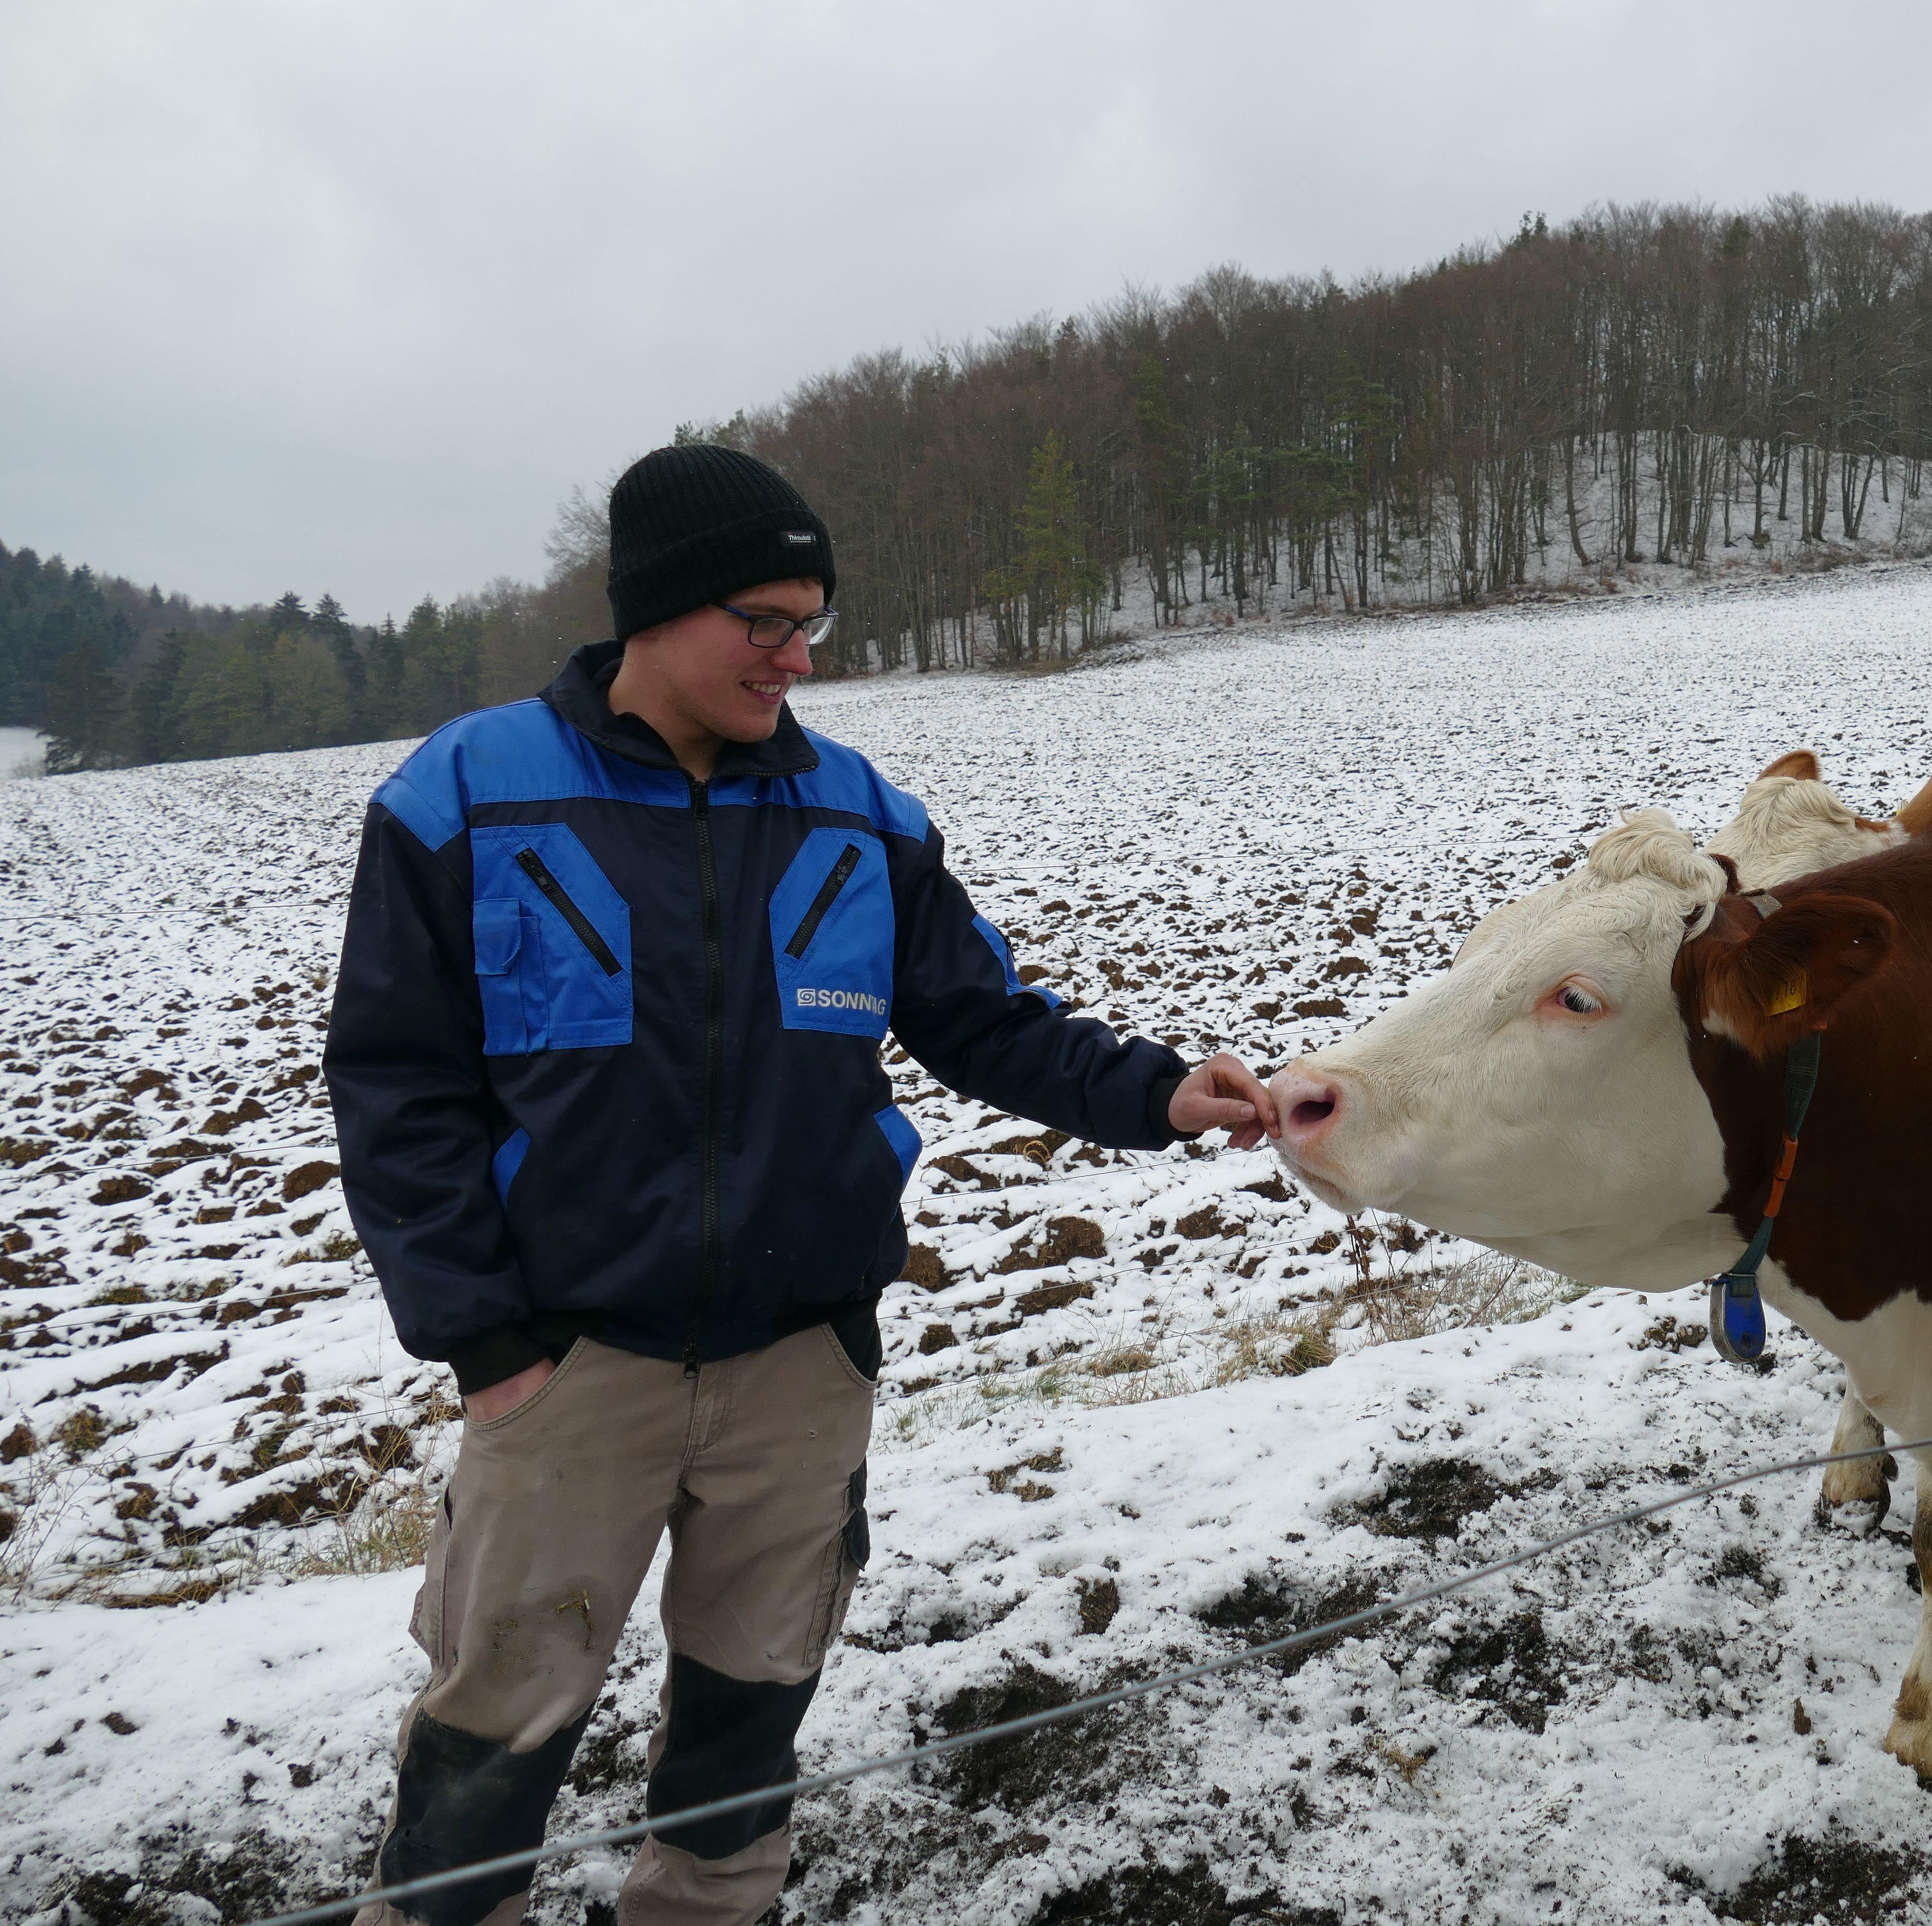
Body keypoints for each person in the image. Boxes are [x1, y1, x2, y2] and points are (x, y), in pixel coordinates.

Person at [323, 443, 1276, 1926]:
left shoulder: (861, 815)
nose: (797, 656)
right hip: (569, 1369)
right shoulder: (466, 796)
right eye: (764, 620)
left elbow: (980, 1019)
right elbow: (397, 1088)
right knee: (493, 1729)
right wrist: (487, 1346)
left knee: (750, 1718)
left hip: (797, 1365)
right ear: (657, 609)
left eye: (811, 623)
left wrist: (1153, 1090)